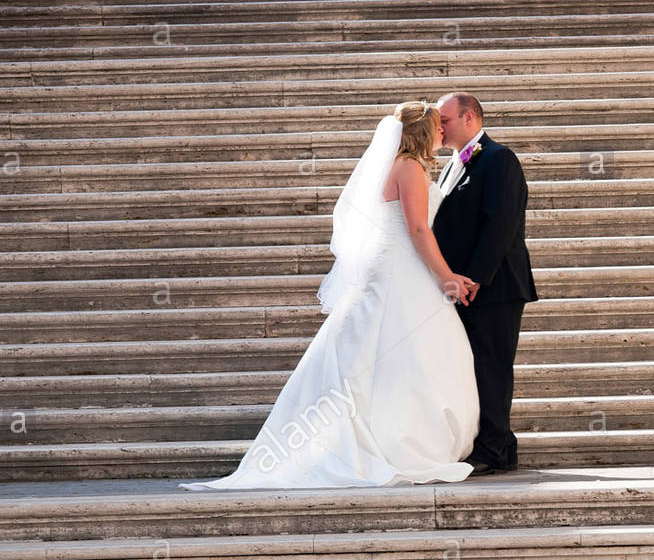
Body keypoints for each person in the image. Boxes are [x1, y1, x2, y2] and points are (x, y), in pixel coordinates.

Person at [178, 103, 480, 491]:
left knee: (380, 349)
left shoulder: (398, 166)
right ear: (424, 132)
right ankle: (394, 440)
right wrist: (448, 277)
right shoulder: (410, 168)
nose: (444, 132)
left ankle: (372, 430)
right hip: (399, 266)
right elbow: (419, 230)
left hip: (391, 263)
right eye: (439, 127)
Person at [433, 93, 538, 476]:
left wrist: (476, 277)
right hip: (462, 287)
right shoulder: (452, 165)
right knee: (473, 369)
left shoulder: (499, 159)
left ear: (470, 117)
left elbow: (501, 224)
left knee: (492, 368)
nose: (438, 126)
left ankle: (494, 449)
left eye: (444, 119)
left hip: (495, 288)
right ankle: (497, 446)